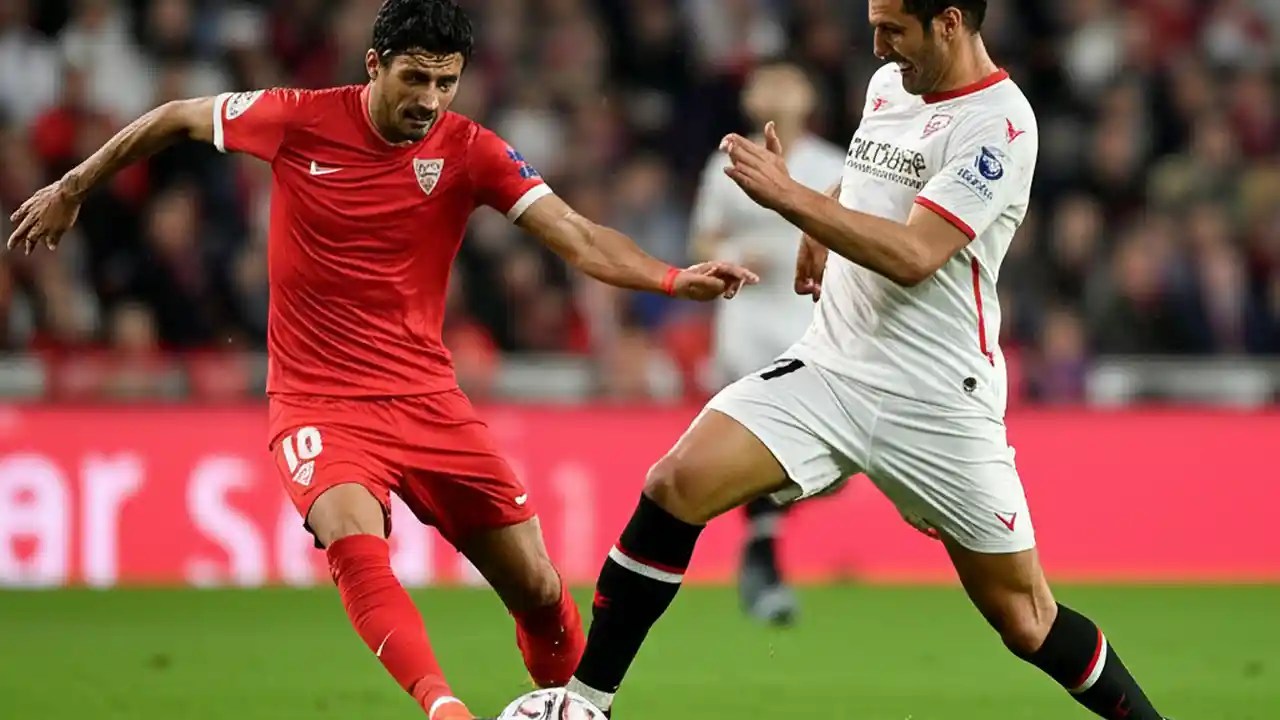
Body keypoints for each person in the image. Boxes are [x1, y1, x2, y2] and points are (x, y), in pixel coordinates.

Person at [5, 1, 757, 719]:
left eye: (445, 80)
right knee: (353, 538)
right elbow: (175, 116)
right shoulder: (298, 118)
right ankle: (446, 708)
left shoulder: (470, 150)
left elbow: (578, 235)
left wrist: (670, 278)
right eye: (415, 78)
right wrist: (74, 188)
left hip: (427, 400)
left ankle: (572, 708)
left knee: (538, 590)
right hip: (318, 402)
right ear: (374, 65)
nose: (430, 98)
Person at [560, 2, 1172, 719]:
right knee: (675, 483)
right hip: (834, 365)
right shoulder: (891, 86)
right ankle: (581, 705)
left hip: (937, 397)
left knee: (1026, 620)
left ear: (948, 22)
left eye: (893, 30)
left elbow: (916, 254)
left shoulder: (999, 125)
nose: (877, 45)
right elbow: (873, 175)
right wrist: (824, 204)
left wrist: (790, 200)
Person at [688, 59, 846, 626]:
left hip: (807, 310)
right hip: (746, 312)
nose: (778, 91)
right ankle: (763, 555)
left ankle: (762, 543)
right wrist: (729, 255)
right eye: (767, 82)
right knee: (760, 431)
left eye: (790, 80)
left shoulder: (831, 163)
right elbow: (702, 237)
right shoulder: (728, 160)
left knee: (820, 460)